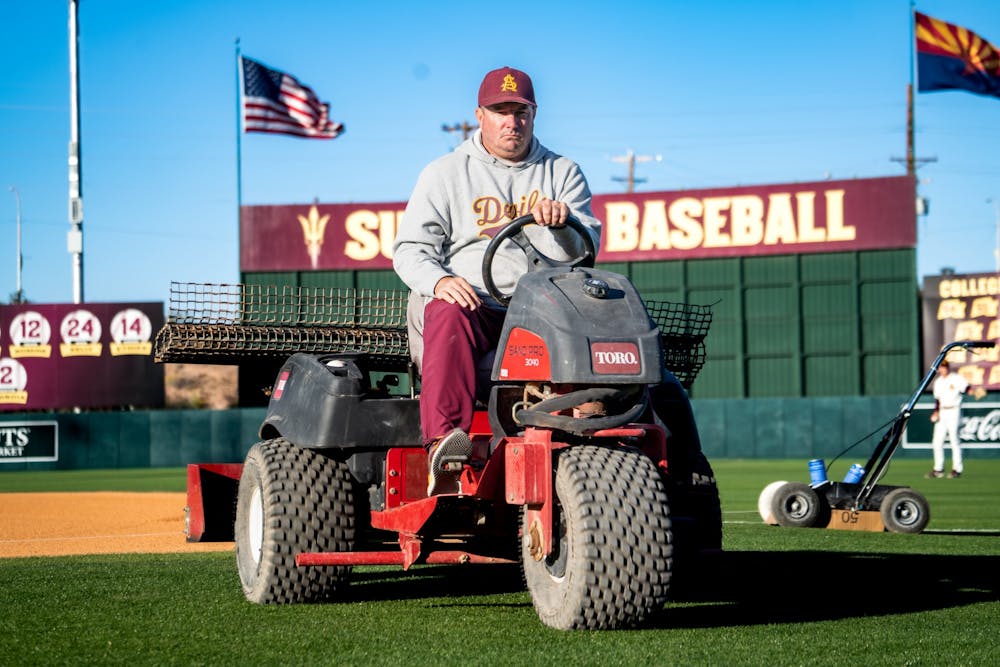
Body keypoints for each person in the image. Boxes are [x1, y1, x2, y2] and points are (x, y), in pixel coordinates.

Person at [393, 66, 602, 495]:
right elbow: (410, 250)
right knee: (448, 308)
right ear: (480, 115)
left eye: (521, 112)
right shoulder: (446, 172)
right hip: (474, 304)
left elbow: (585, 251)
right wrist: (439, 281)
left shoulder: (562, 172)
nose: (512, 122)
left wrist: (562, 226)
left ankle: (599, 426)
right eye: (501, 112)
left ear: (534, 114)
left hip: (540, 309)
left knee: (597, 303)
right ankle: (445, 446)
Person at [926, 360, 984, 479]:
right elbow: (937, 400)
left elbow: (967, 388)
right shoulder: (938, 382)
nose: (943, 369)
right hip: (942, 411)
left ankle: (957, 469)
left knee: (954, 440)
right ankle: (938, 469)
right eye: (941, 367)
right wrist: (936, 411)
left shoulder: (956, 378)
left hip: (954, 410)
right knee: (937, 441)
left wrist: (975, 392)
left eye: (945, 366)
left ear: (948, 367)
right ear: (939, 369)